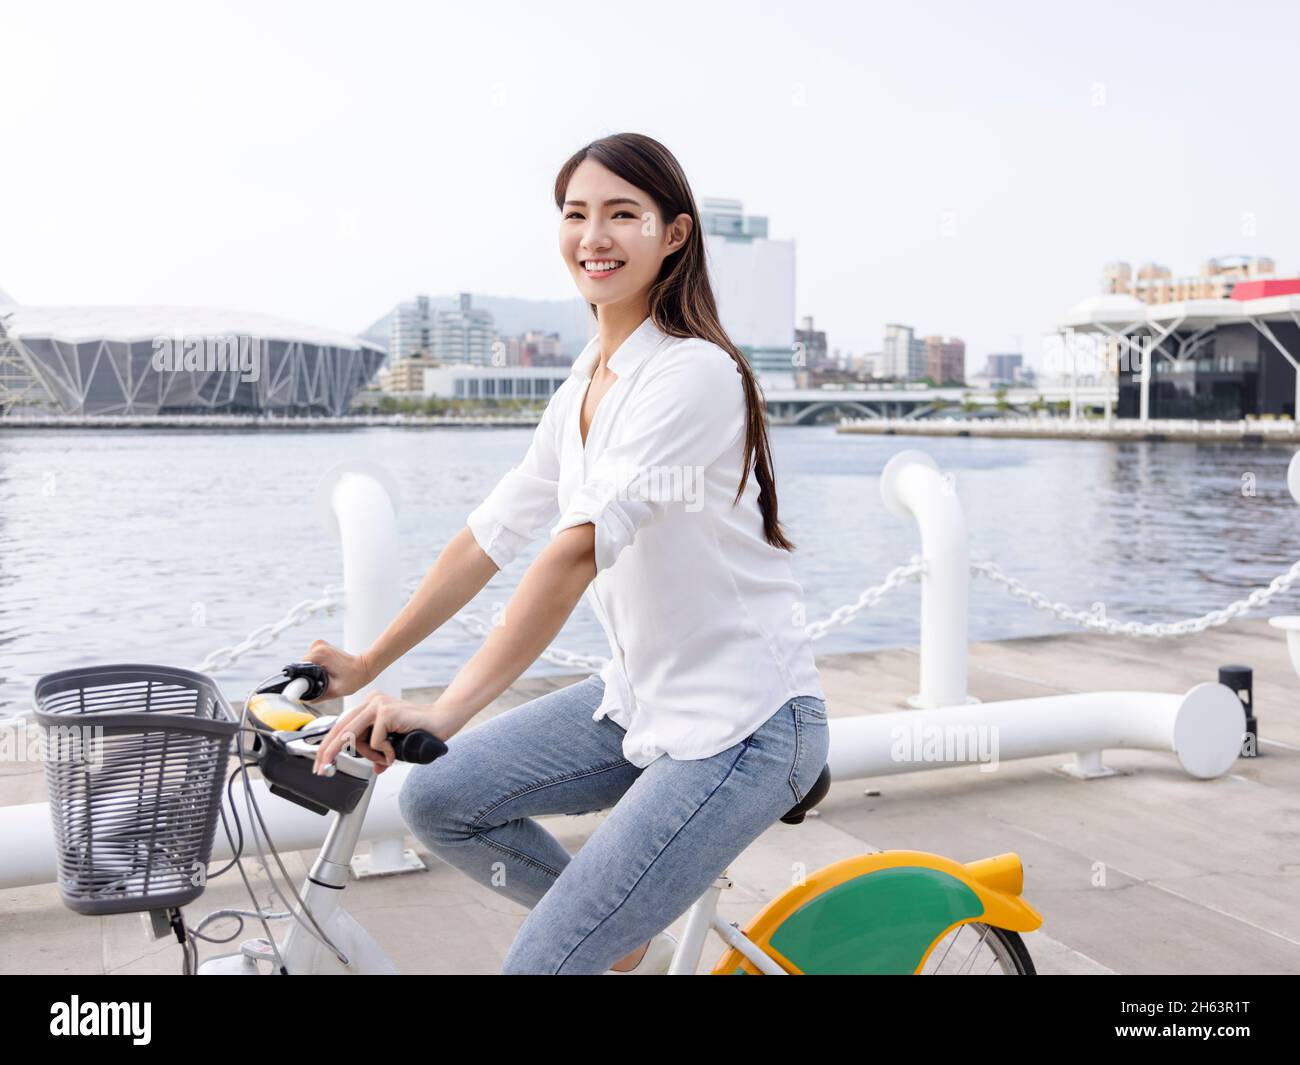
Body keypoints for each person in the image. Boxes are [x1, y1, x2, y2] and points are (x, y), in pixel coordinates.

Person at [304, 131, 828, 975]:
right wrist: (366, 662)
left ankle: (593, 938)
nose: (594, 236)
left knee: (540, 963)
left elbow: (570, 555)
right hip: (639, 700)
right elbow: (487, 539)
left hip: (746, 725)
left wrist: (446, 711)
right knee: (440, 798)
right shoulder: (587, 378)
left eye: (623, 214)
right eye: (576, 214)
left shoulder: (694, 375)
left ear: (674, 236)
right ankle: (620, 937)